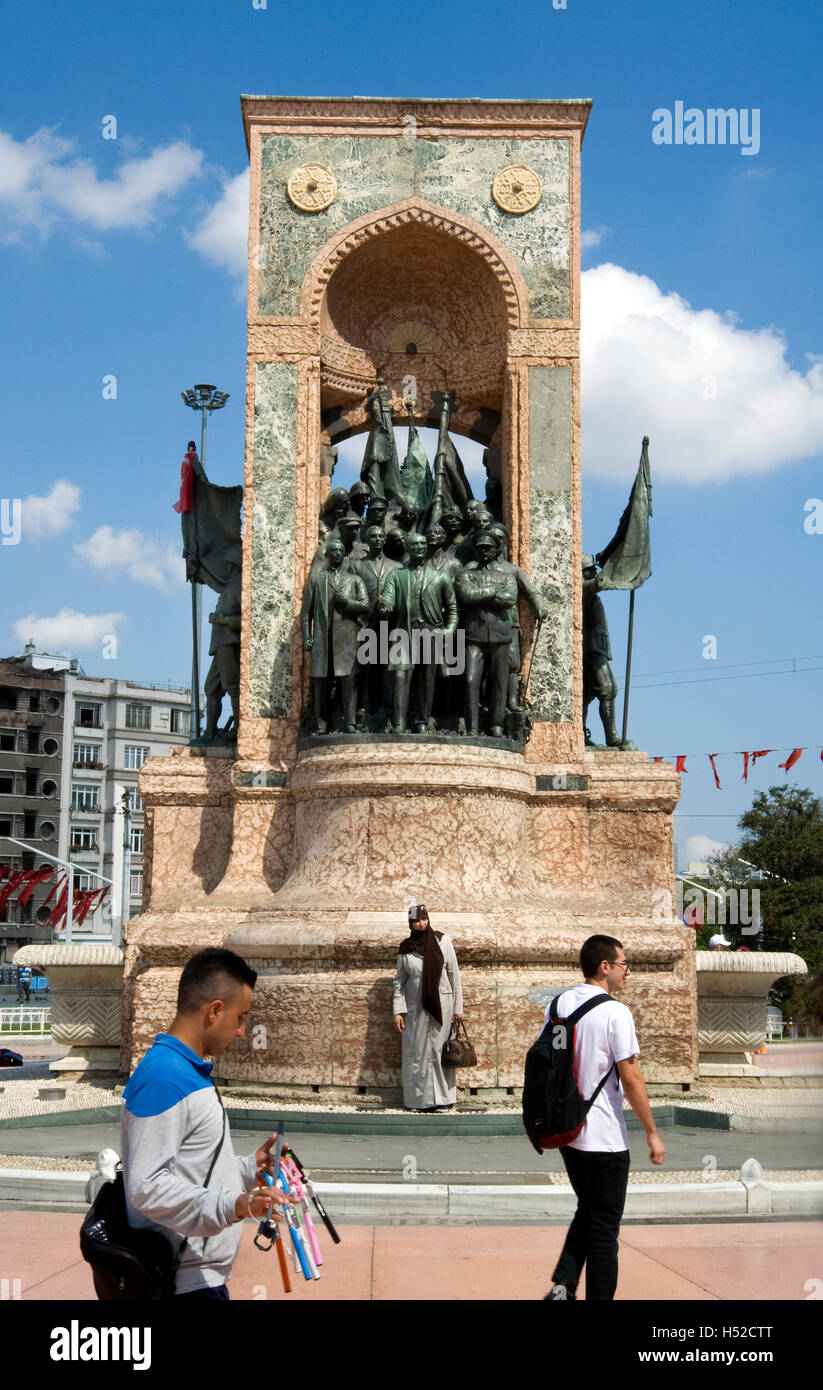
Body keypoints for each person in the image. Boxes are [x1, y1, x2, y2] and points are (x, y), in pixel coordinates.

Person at [120, 948, 291, 1299]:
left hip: (200, 1279)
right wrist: (237, 1205)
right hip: (183, 1284)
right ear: (214, 1010)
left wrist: (244, 1170)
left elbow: (187, 1168)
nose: (243, 1031)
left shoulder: (183, 1071)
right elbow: (146, 1187)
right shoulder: (164, 1077)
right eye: (240, 1017)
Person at [546, 934, 665, 1302]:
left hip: (569, 1133)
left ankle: (564, 1284)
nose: (627, 971)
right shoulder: (616, 1012)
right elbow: (631, 1078)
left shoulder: (559, 1004)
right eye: (624, 964)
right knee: (603, 1230)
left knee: (590, 1208)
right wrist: (652, 1133)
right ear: (605, 967)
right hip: (606, 1138)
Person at [392, 905, 463, 1111]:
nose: (421, 923)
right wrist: (398, 1010)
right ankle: (418, 1101)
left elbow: (453, 975)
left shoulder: (442, 941)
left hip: (443, 1006)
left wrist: (458, 1008)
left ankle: (443, 1099)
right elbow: (399, 982)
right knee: (417, 1052)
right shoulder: (406, 948)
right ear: (410, 923)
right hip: (415, 1009)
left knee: (440, 1051)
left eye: (424, 919)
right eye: (417, 921)